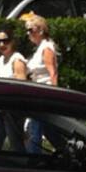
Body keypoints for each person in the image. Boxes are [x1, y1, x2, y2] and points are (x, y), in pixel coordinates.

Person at [23, 13, 58, 155]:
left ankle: (33, 158)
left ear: (41, 31)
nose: (28, 33)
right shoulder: (39, 48)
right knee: (45, 129)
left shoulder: (46, 48)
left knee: (35, 129)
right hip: (38, 92)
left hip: (44, 94)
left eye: (30, 30)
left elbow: (53, 72)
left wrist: (55, 94)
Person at [0, 25, 27, 152]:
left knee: (16, 144)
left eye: (5, 41)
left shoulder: (17, 59)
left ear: (12, 42)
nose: (1, 44)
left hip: (13, 108)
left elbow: (22, 85)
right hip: (0, 108)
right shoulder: (0, 60)